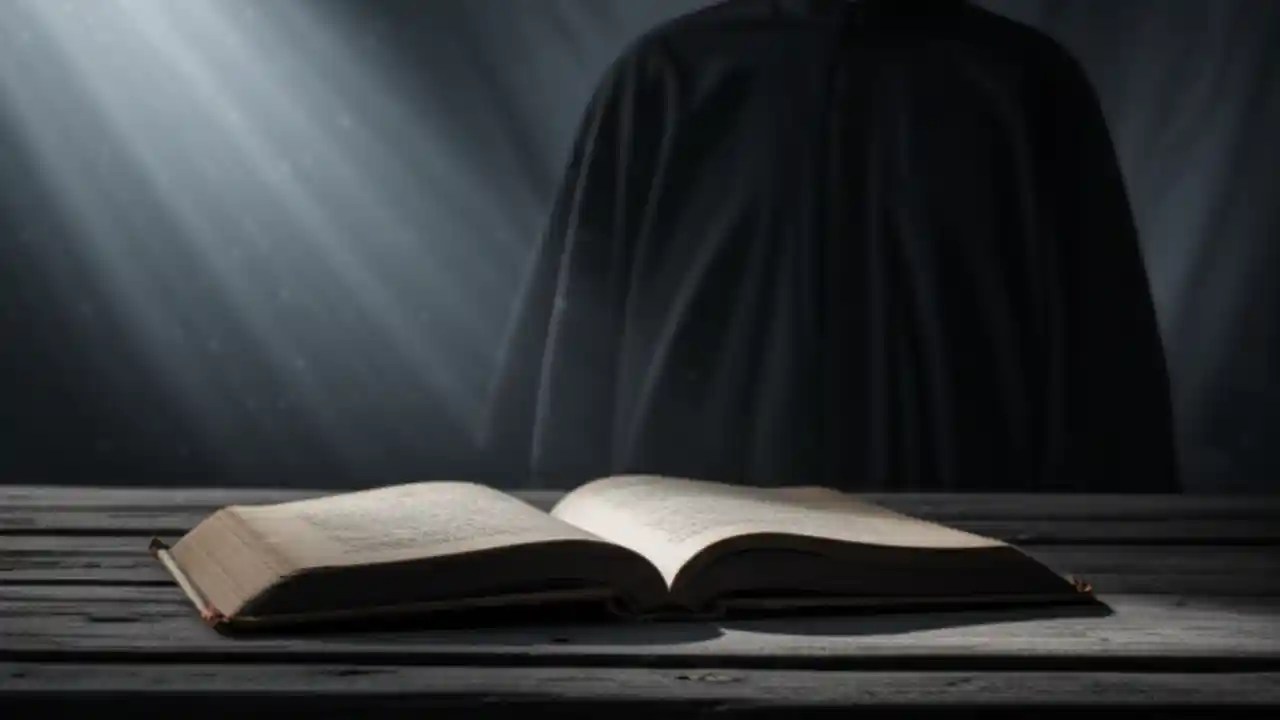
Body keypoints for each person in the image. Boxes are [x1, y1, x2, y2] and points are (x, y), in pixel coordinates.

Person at [479, 0, 1179, 492]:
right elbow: (576, 337)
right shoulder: (661, 78)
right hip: (693, 545)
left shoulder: (1025, 83)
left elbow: (1100, 364)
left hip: (972, 540)